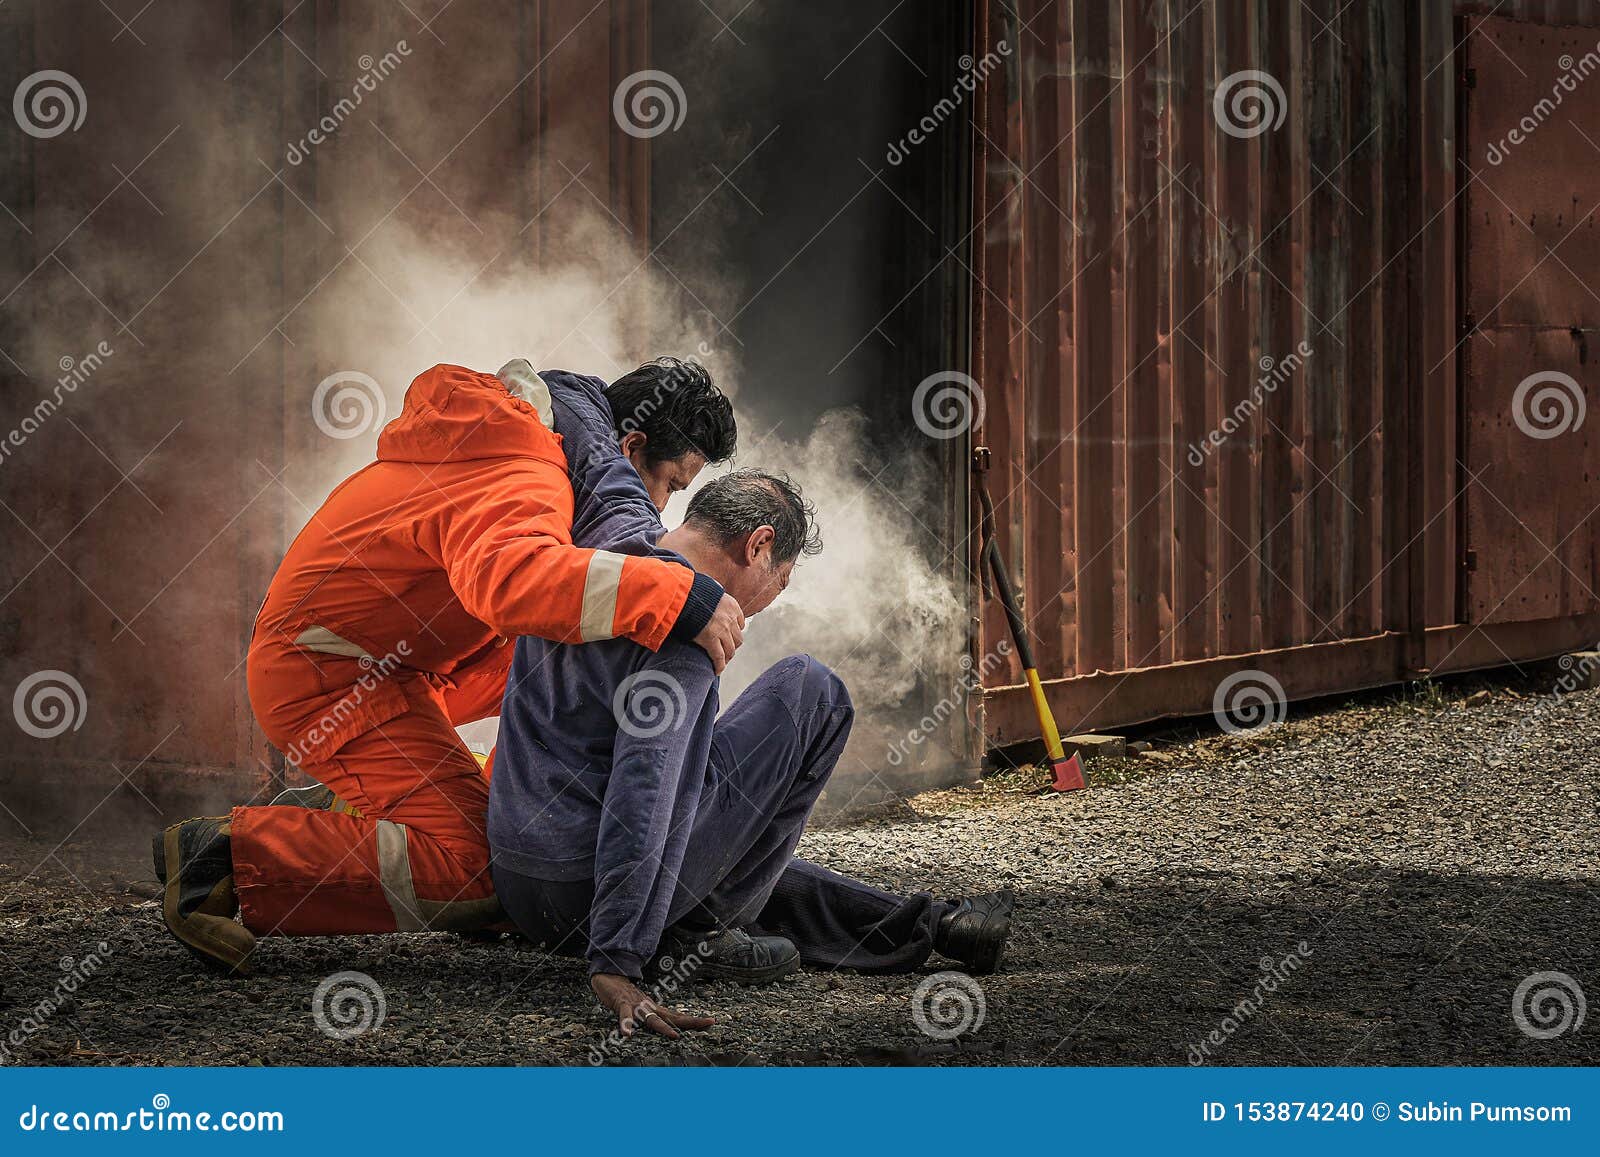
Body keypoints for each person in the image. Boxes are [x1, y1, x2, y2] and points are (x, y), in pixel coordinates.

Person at [155, 358, 738, 972]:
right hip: (330, 682)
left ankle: (342, 810)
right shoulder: (526, 470)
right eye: (672, 483)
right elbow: (512, 583)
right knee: (481, 870)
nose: (664, 509)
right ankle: (225, 858)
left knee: (517, 791)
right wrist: (678, 596)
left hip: (369, 670)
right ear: (631, 445)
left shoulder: (513, 443)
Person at [488, 464, 1015, 1042]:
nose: (768, 602)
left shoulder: (601, 545)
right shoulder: (689, 628)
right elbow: (644, 794)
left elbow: (593, 441)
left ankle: (938, 926)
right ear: (759, 544)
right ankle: (697, 929)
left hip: (519, 888)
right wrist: (616, 960)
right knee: (812, 689)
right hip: (587, 903)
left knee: (718, 835)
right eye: (780, 581)